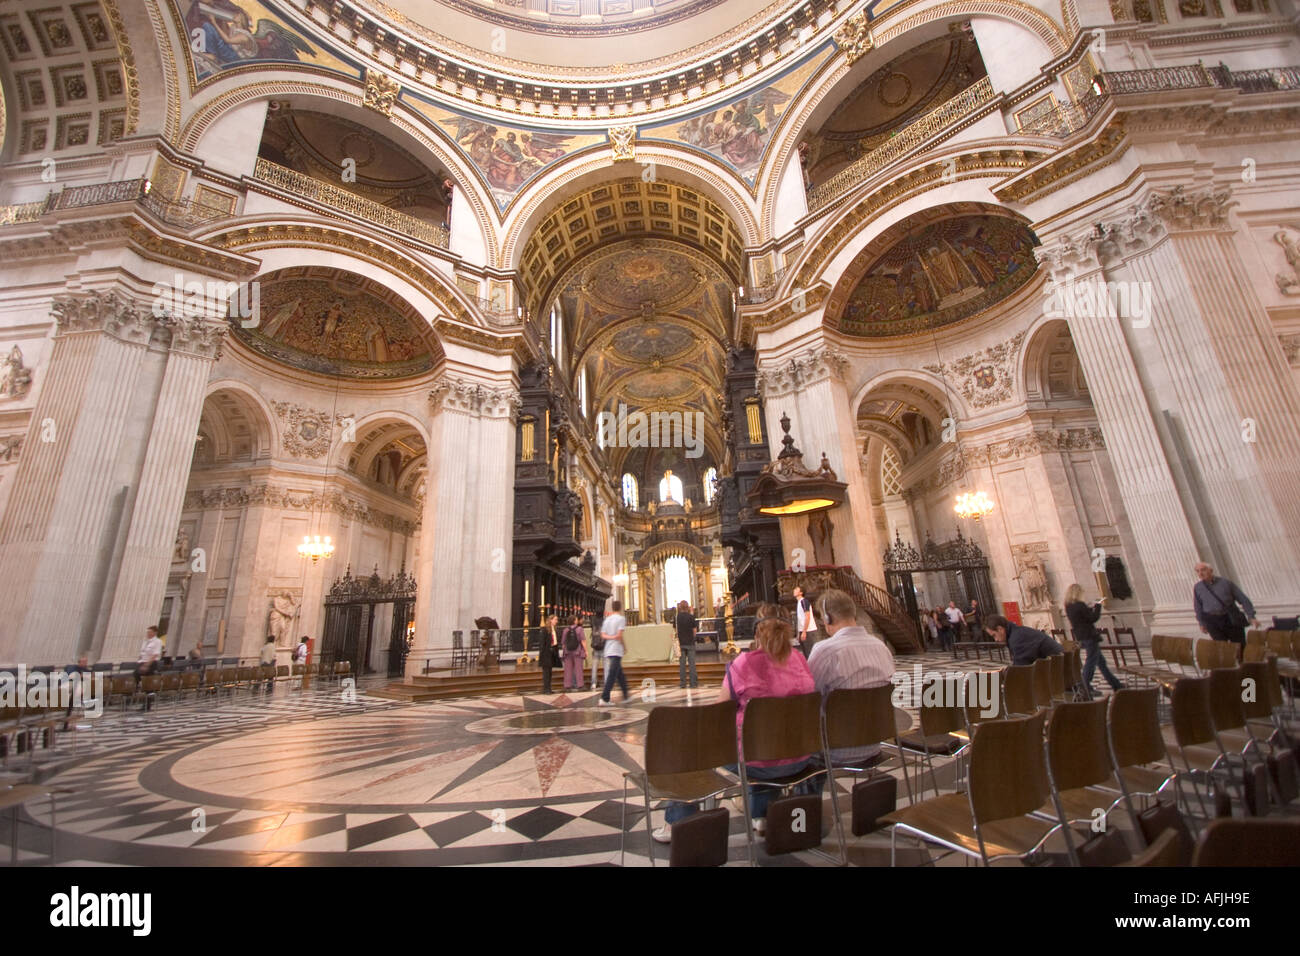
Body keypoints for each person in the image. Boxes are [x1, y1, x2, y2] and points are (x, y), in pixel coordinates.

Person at [654, 618, 816, 843]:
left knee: (692, 747)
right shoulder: (799, 659)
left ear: (756, 638)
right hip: (801, 757)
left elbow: (717, 716)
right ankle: (761, 815)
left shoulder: (746, 663)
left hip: (755, 762)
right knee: (767, 740)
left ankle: (678, 821)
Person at [807, 589, 895, 768]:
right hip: (875, 742)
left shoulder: (825, 650)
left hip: (833, 747)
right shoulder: (881, 647)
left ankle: (807, 794)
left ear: (827, 618)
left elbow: (808, 698)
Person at [1064, 583, 1122, 697]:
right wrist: (1098, 606)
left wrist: (1089, 608)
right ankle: (1085, 686)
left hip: (1081, 635)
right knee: (1091, 662)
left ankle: (1116, 685)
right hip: (1089, 635)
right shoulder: (1080, 605)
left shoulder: (1068, 606)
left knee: (1101, 663)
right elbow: (1092, 618)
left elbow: (1082, 617)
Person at [1193, 562, 1259, 648]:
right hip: (1212, 621)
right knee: (1221, 649)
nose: (1200, 573)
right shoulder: (1198, 587)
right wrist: (1201, 623)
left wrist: (1251, 616)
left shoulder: (1225, 583)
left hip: (1230, 618)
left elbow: (1243, 599)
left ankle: (1242, 661)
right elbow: (1198, 607)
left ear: (1211, 570)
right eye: (1197, 571)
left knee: (1239, 646)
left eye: (1203, 570)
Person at [984, 614, 1063, 666]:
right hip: (1056, 666)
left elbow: (1022, 669)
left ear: (1000, 629)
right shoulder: (1018, 632)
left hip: (1057, 672)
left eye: (994, 635)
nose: (995, 640)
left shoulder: (1017, 639)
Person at [597, 600, 628, 706]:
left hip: (608, 649)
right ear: (620, 607)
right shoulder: (621, 619)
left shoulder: (607, 619)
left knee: (619, 673)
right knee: (612, 674)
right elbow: (619, 635)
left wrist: (610, 637)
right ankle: (604, 698)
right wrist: (624, 646)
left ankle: (626, 694)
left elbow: (603, 635)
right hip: (616, 649)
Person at [135, 626, 163, 711]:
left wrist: (147, 665)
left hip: (150, 663)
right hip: (142, 662)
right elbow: (143, 652)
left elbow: (155, 654)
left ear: (154, 633)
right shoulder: (145, 641)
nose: (148, 633)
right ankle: (146, 698)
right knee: (144, 682)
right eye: (148, 632)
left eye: (150, 632)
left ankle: (148, 700)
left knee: (146, 682)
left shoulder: (157, 641)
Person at [674, 600, 699, 689]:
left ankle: (683, 683)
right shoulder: (691, 617)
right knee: (692, 664)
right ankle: (693, 683)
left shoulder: (678, 617)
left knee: (682, 664)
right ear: (688, 607)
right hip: (690, 642)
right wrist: (692, 637)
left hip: (681, 643)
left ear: (680, 607)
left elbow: (676, 630)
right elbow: (694, 630)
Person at [561, 615, 586, 691]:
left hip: (568, 651)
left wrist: (564, 651)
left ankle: (567, 685)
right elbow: (583, 640)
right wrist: (585, 650)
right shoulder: (579, 629)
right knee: (578, 668)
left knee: (568, 669)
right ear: (575, 621)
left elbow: (563, 642)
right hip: (577, 651)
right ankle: (580, 685)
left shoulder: (565, 630)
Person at [793, 585, 816, 656]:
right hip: (802, 631)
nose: (794, 590)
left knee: (809, 652)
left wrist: (804, 631)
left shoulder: (804, 601)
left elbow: (807, 616)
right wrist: (798, 633)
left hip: (808, 630)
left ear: (801, 592)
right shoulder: (799, 602)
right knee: (805, 653)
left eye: (796, 589)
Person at [540, 613, 560, 694]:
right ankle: (546, 688)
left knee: (550, 671)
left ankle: (549, 688)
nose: (556, 621)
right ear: (551, 620)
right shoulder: (544, 630)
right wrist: (543, 653)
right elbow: (542, 643)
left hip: (553, 651)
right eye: (555, 619)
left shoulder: (554, 629)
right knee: (546, 672)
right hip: (546, 652)